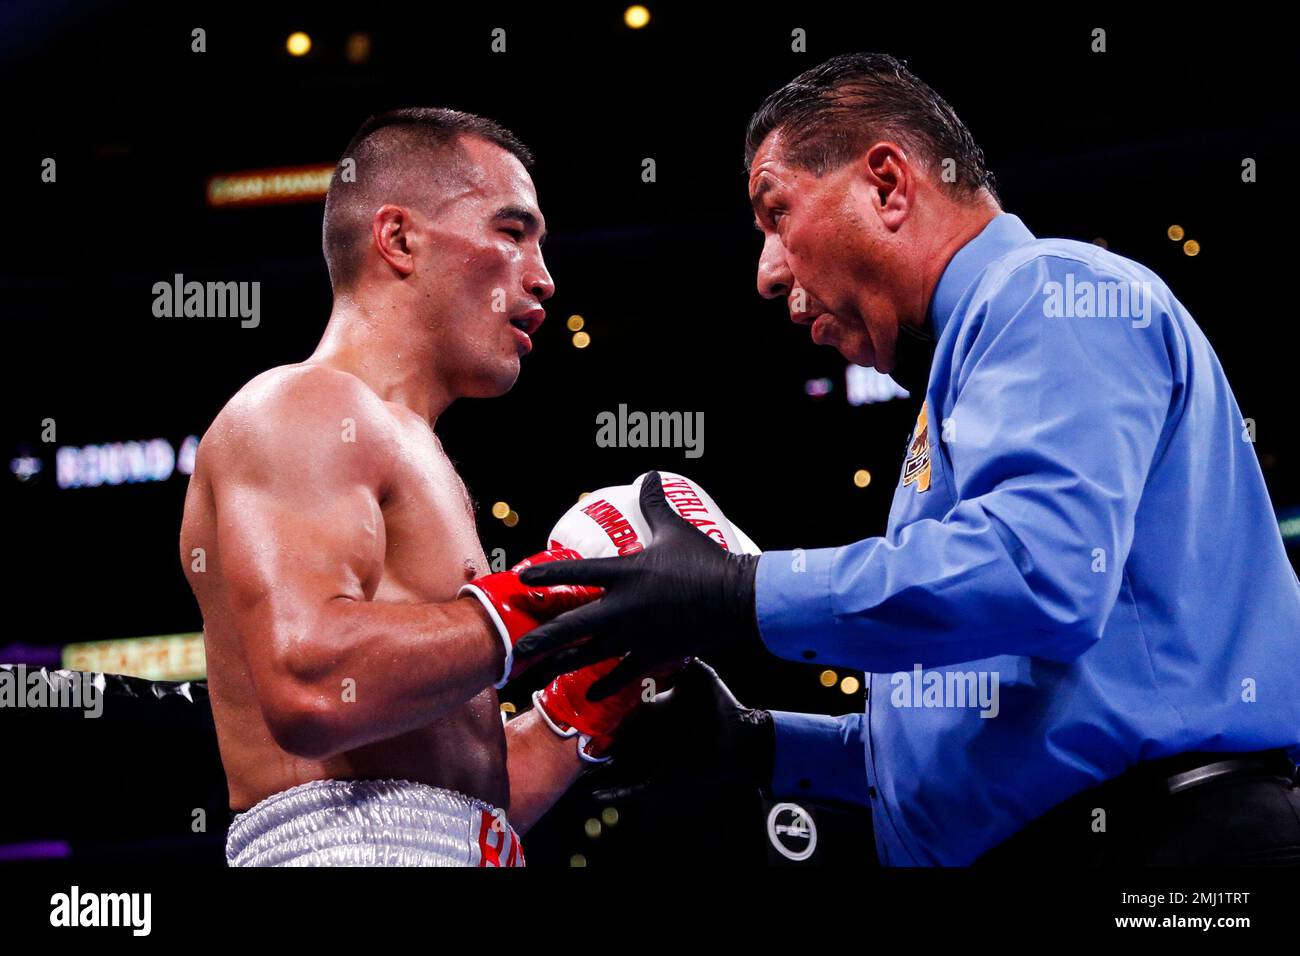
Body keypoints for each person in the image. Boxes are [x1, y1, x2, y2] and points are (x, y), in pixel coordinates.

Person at [512, 54, 1300, 866]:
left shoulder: (1048, 290)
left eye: (776, 214)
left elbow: (1043, 573)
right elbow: (974, 731)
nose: (766, 271)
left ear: (887, 184)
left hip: (1173, 847)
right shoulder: (958, 382)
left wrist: (738, 592)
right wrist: (759, 743)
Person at [180, 108, 651, 866]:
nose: (542, 277)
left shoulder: (419, 457)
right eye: (511, 231)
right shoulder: (300, 407)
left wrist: (592, 695)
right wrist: (562, 594)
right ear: (399, 239)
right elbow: (310, 685)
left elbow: (456, 807)